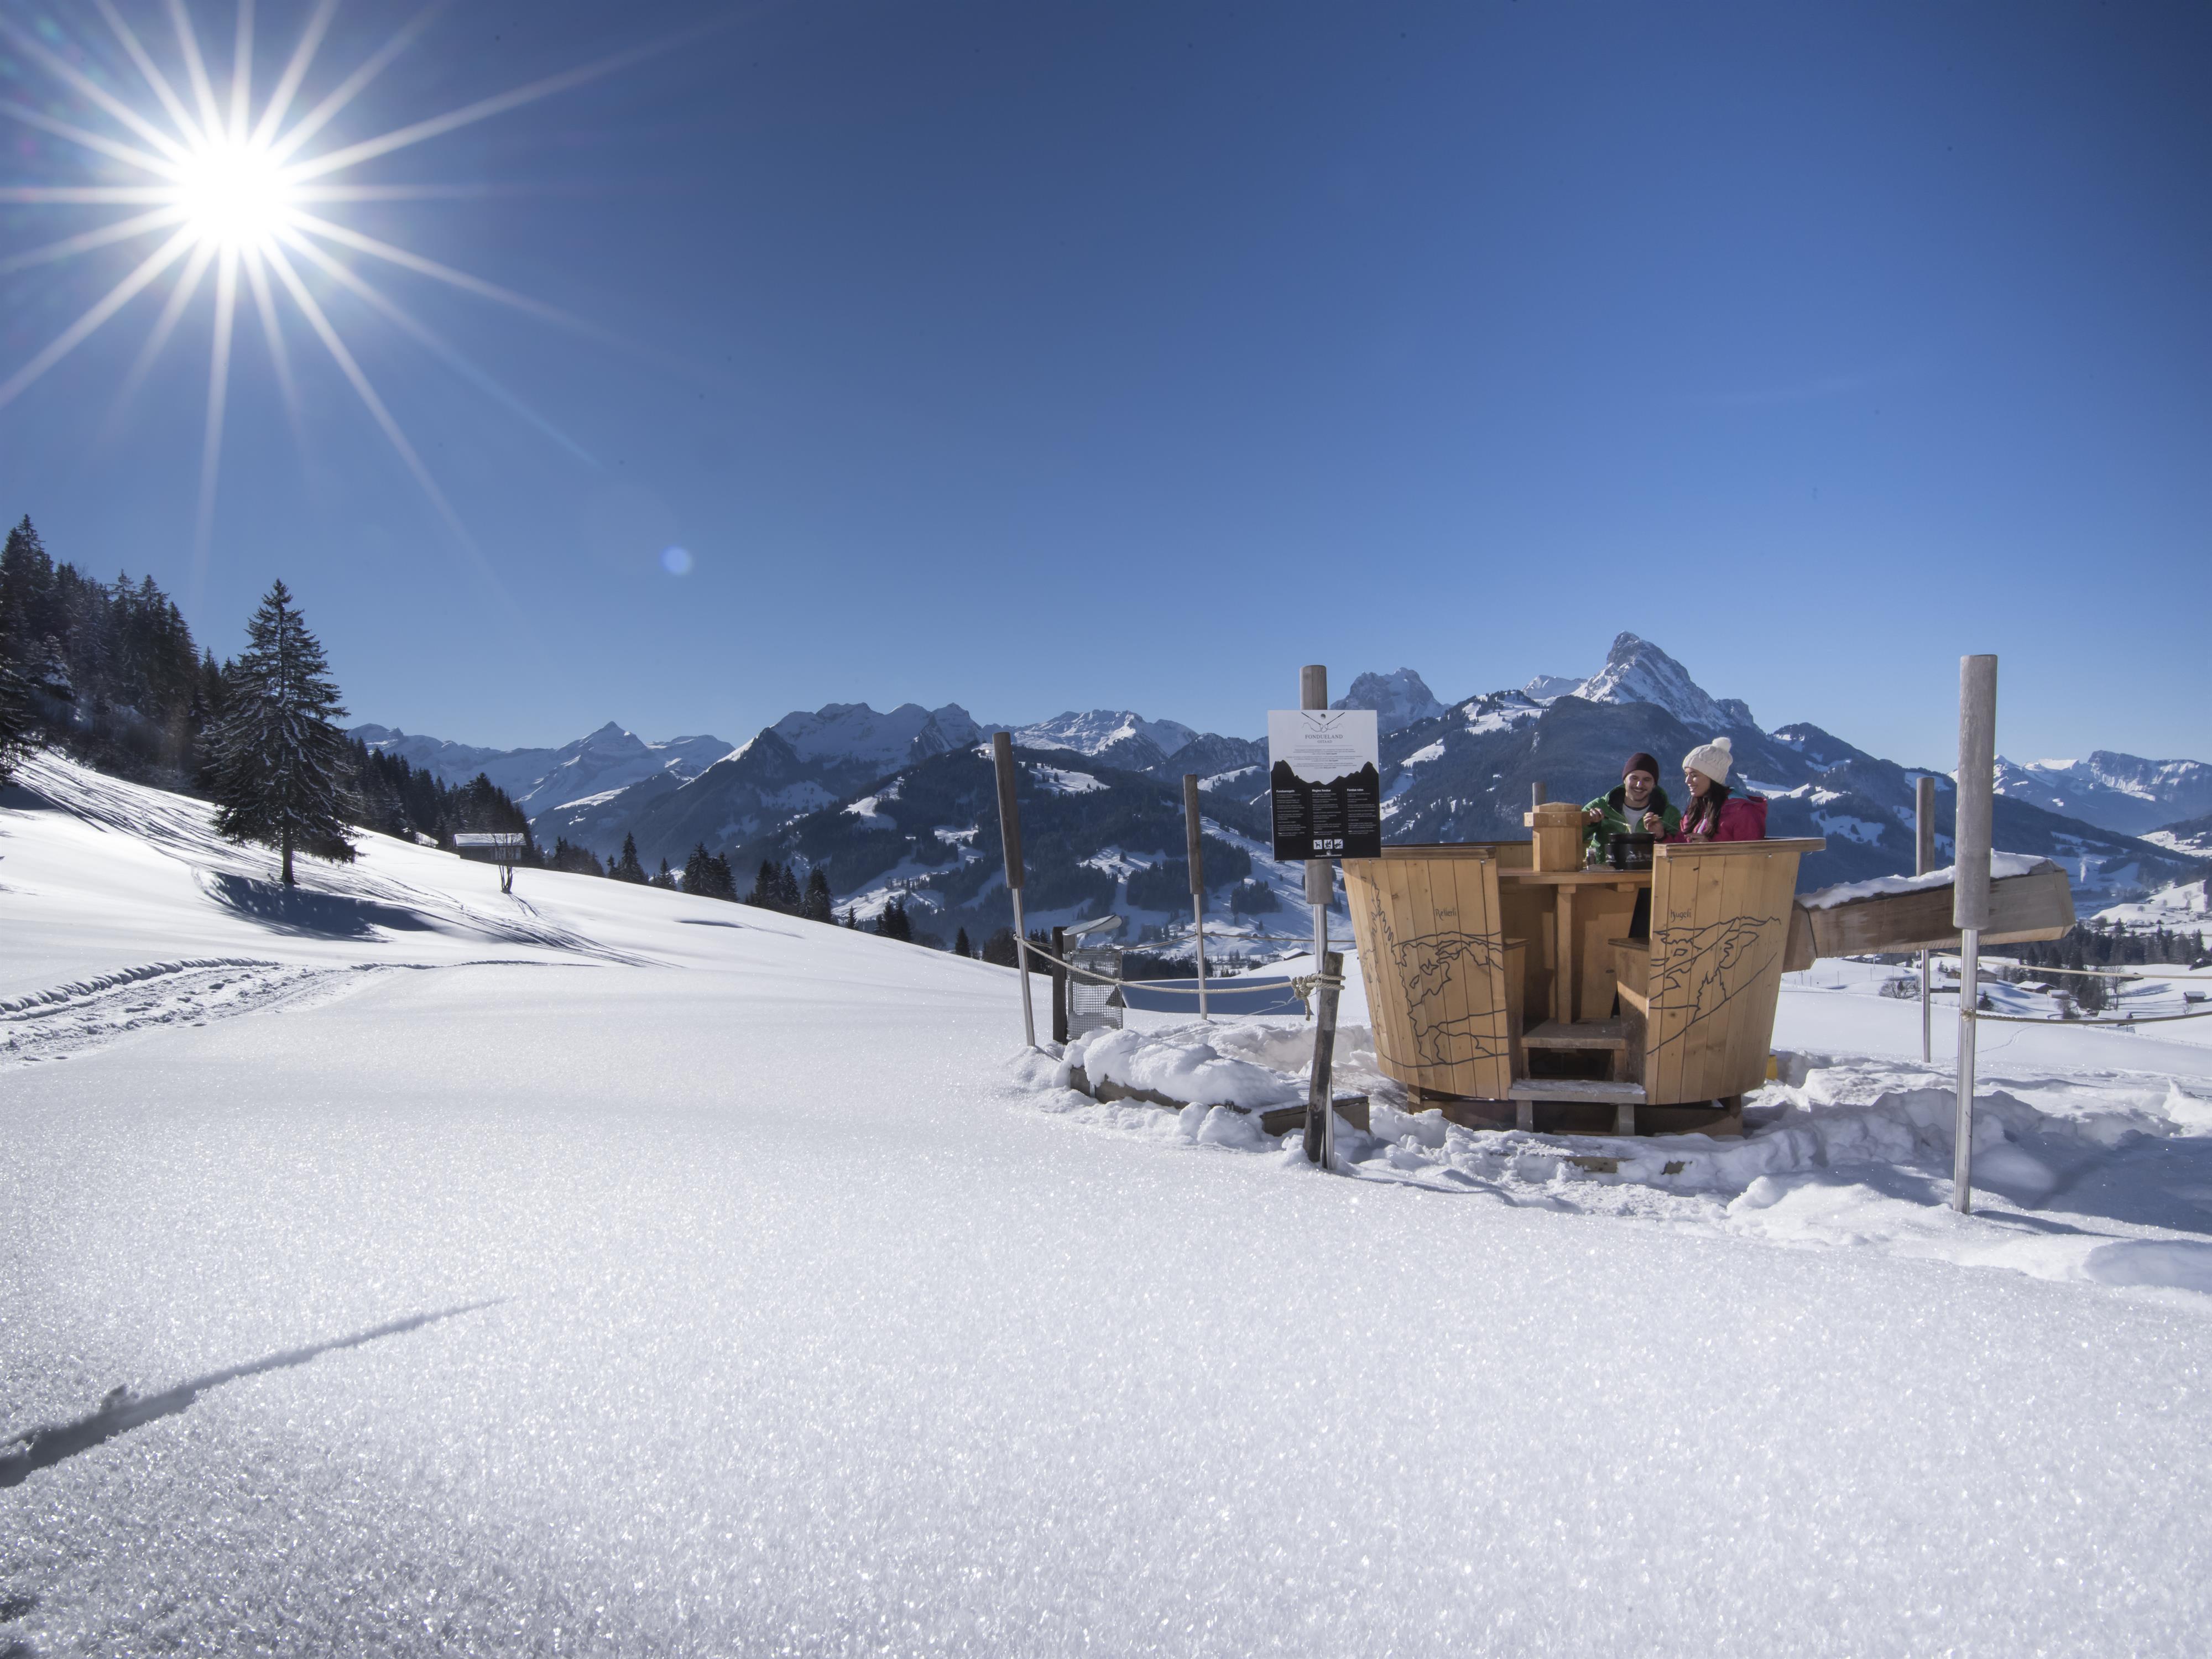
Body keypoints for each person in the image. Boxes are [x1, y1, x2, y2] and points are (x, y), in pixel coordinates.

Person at [1582, 750, 1679, 858]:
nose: (1639, 785)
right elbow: (1571, 837)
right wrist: (1589, 822)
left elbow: (1681, 852)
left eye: (1647, 780)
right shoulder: (1601, 806)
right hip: (1604, 868)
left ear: (1654, 784)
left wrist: (1661, 836)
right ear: (1625, 780)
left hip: (1649, 869)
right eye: (1634, 778)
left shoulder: (1669, 813)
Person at [1670, 737, 1767, 841]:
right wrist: (1661, 836)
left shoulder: (1743, 812)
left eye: (1694, 775)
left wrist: (1711, 848)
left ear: (1712, 777)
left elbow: (1751, 850)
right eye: (1686, 775)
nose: (1687, 781)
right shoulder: (1695, 810)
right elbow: (1679, 844)